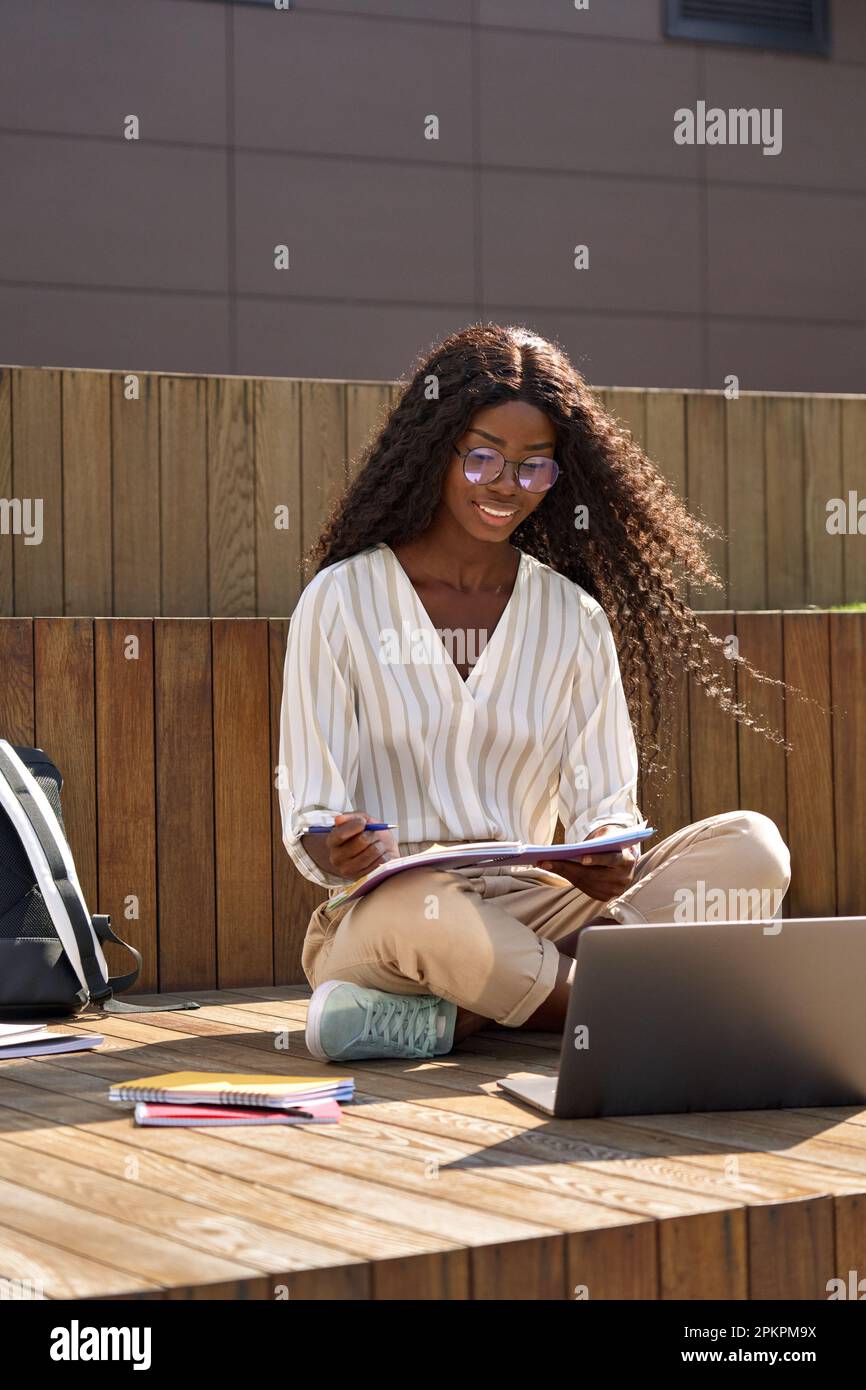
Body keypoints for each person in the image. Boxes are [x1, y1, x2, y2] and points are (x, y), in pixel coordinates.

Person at [278, 324, 791, 1063]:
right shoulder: (341, 601)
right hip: (391, 918)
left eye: (534, 466)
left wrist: (609, 855)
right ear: (435, 449)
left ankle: (461, 1018)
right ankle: (637, 1002)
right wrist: (343, 847)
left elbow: (607, 808)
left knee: (752, 848)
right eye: (483, 456)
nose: (506, 485)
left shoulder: (573, 618)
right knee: (424, 911)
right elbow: (312, 816)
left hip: (539, 910)